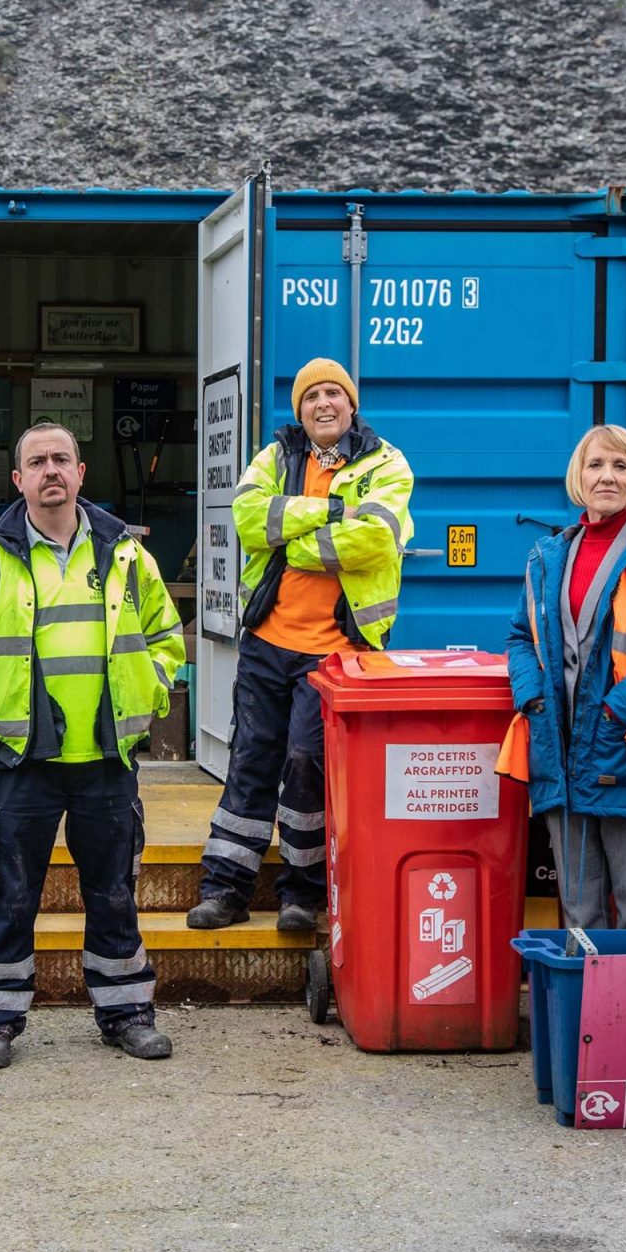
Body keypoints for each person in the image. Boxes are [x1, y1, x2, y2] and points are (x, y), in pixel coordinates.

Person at [0, 421, 188, 1069]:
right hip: (22, 761)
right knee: (9, 893)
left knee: (114, 891)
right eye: (37, 461)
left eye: (61, 459)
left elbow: (165, 638)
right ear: (17, 480)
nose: (50, 471)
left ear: (80, 473)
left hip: (106, 757)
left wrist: (149, 694)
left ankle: (126, 1012)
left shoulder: (125, 554)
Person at [187, 358, 415, 932]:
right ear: (300, 409)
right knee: (250, 761)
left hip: (338, 651)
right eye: (311, 396)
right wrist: (334, 510)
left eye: (334, 393)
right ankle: (226, 889)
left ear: (351, 403)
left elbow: (376, 539)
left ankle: (301, 895)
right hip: (267, 642)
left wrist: (295, 543)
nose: (323, 404)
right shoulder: (275, 456)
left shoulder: (386, 462)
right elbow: (248, 518)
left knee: (308, 766)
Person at [499, 425, 626, 929]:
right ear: (579, 476)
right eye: (596, 465)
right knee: (579, 915)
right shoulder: (547, 558)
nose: (607, 477)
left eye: (620, 466)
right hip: (560, 750)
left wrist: (614, 708)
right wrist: (534, 701)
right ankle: (582, 1011)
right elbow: (519, 639)